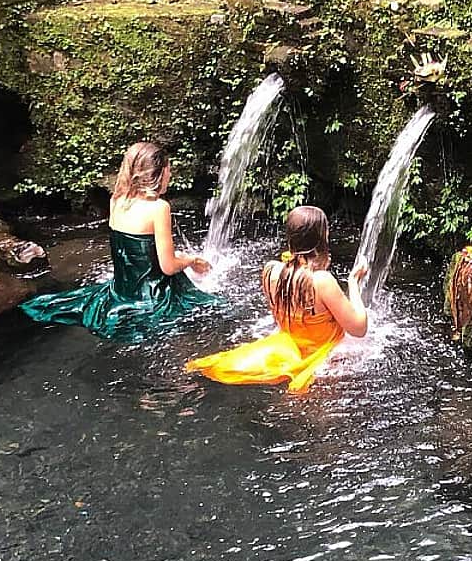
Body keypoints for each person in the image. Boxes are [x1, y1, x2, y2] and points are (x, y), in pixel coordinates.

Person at [20, 142, 216, 341]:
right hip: (152, 296)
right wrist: (191, 260)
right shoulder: (158, 208)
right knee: (216, 308)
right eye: (168, 170)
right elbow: (167, 267)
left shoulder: (117, 199)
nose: (170, 175)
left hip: (122, 291)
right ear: (157, 173)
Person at [185, 205, 368, 393]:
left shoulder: (271, 270)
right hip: (322, 358)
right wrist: (353, 282)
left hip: (286, 348)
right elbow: (359, 329)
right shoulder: (321, 280)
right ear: (322, 238)